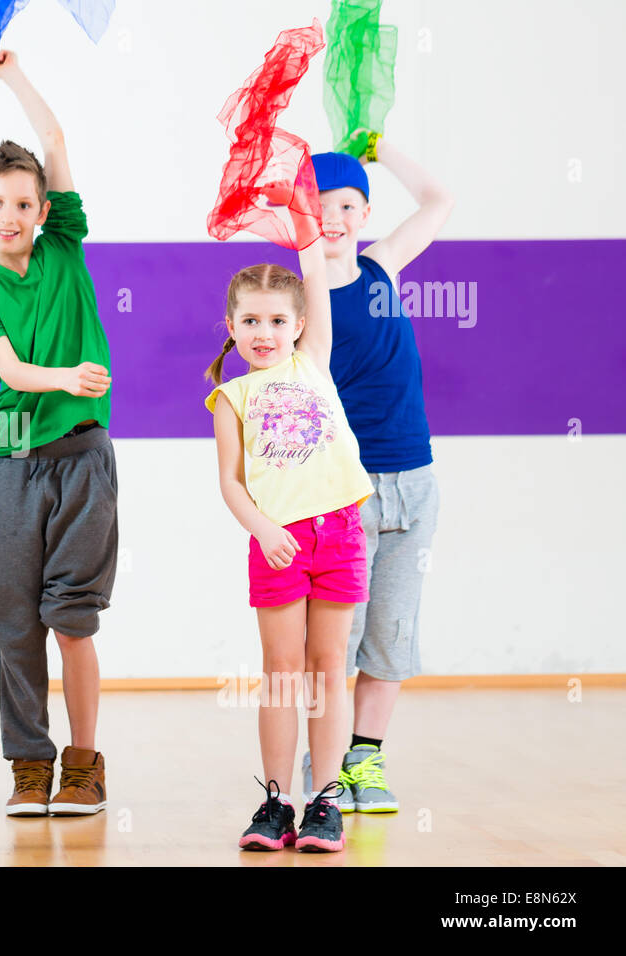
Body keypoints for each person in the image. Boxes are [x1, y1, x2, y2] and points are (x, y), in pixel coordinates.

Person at [0, 50, 117, 817]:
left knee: (70, 618)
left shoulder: (64, 245)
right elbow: (13, 371)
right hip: (14, 466)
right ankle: (30, 764)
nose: (12, 216)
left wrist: (13, 76)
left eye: (25, 203)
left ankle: (85, 767)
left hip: (82, 460)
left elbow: (53, 134)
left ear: (43, 211)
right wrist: (67, 377)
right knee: (15, 624)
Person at [205, 192, 374, 852]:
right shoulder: (231, 396)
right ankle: (276, 800)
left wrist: (305, 221)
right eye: (251, 320)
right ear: (232, 323)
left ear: (300, 325)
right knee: (281, 671)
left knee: (328, 668)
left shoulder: (315, 362)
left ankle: (324, 800)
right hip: (277, 542)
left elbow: (315, 279)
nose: (265, 332)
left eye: (278, 319)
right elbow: (231, 482)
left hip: (339, 535)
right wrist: (265, 530)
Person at [297, 137, 454, 813]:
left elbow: (439, 200)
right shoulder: (299, 294)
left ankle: (366, 759)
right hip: (343, 490)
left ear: (364, 214)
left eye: (348, 203)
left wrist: (382, 148)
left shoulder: (384, 266)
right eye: (320, 204)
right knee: (339, 638)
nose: (334, 215)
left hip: (413, 482)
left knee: (391, 632)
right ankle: (325, 763)